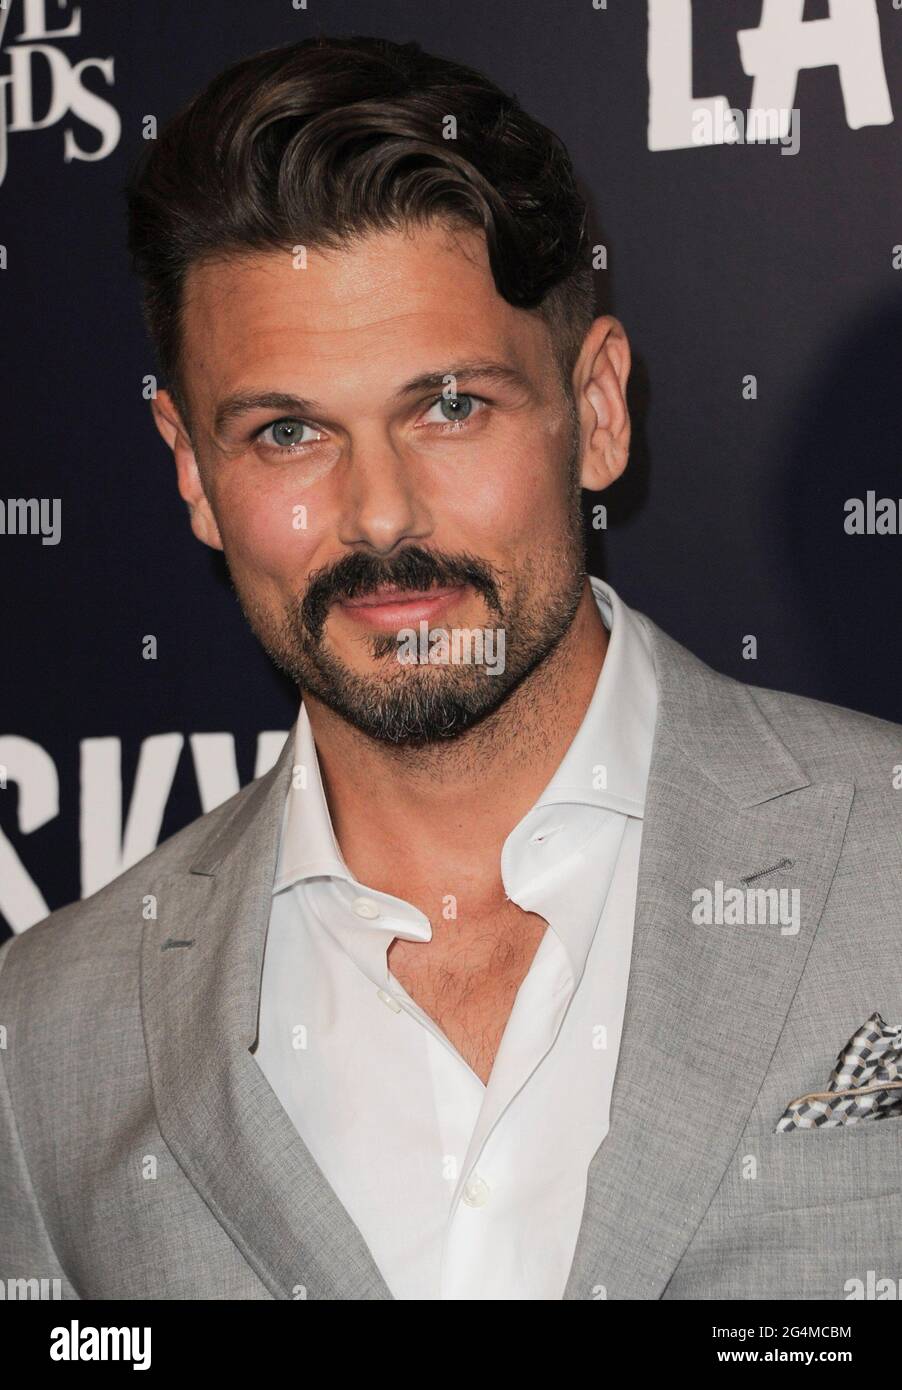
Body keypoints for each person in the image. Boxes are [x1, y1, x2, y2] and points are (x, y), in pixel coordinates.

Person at [1, 34, 900, 1302]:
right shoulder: (44, 1038)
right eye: (289, 431)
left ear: (594, 409)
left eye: (449, 408)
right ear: (193, 471)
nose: (379, 517)